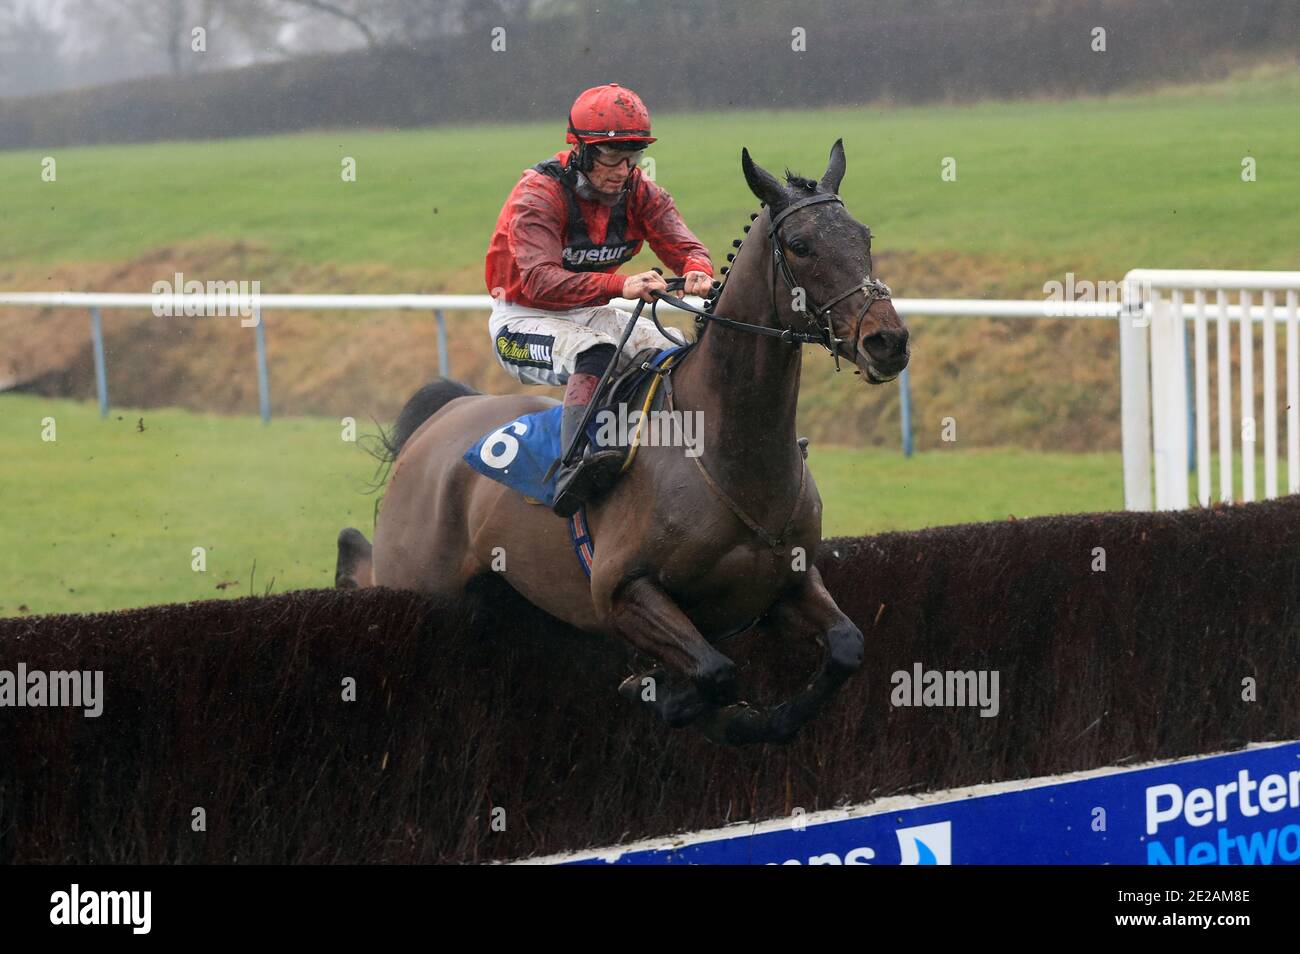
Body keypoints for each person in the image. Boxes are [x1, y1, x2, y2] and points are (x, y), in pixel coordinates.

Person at [484, 82, 714, 517]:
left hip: (586, 310)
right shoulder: (538, 194)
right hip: (521, 318)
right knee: (597, 351)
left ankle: (689, 453)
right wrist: (619, 285)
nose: (623, 170)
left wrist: (697, 269)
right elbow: (539, 282)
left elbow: (684, 245)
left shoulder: (640, 191)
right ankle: (571, 466)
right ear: (582, 151)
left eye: (633, 157)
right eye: (612, 156)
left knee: (674, 353)